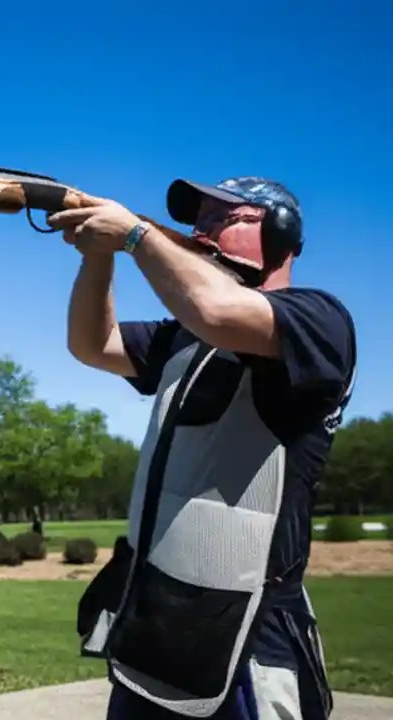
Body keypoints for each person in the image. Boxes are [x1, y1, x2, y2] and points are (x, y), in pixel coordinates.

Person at [49, 177, 356, 720]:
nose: (201, 230)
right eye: (199, 220)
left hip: (250, 640)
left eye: (224, 218)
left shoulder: (319, 319)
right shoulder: (185, 337)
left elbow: (218, 312)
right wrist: (99, 259)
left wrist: (136, 235)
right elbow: (93, 345)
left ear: (281, 231)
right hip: (156, 627)